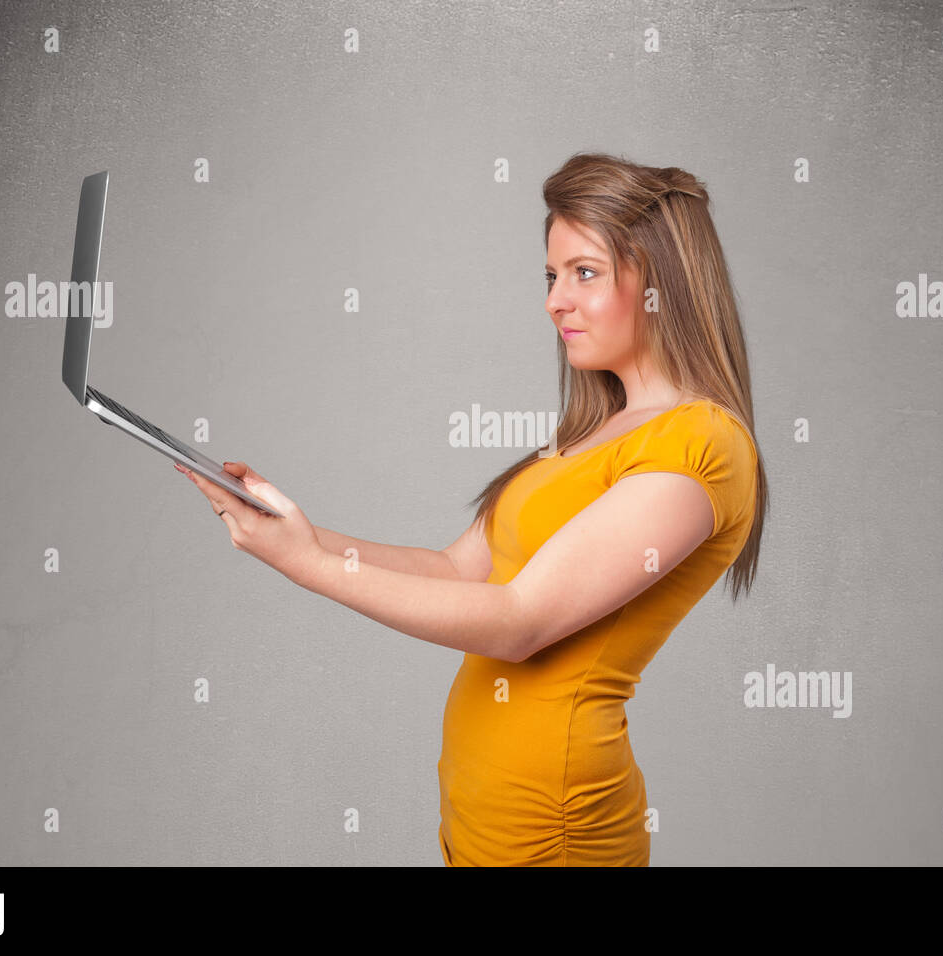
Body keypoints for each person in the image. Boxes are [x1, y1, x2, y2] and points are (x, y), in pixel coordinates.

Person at [176, 151, 769, 866]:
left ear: (659, 283)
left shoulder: (702, 443)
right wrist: (297, 532)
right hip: (487, 813)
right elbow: (456, 569)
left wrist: (307, 568)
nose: (555, 300)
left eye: (585, 272)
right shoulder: (591, 434)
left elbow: (520, 623)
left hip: (557, 827)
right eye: (552, 277)